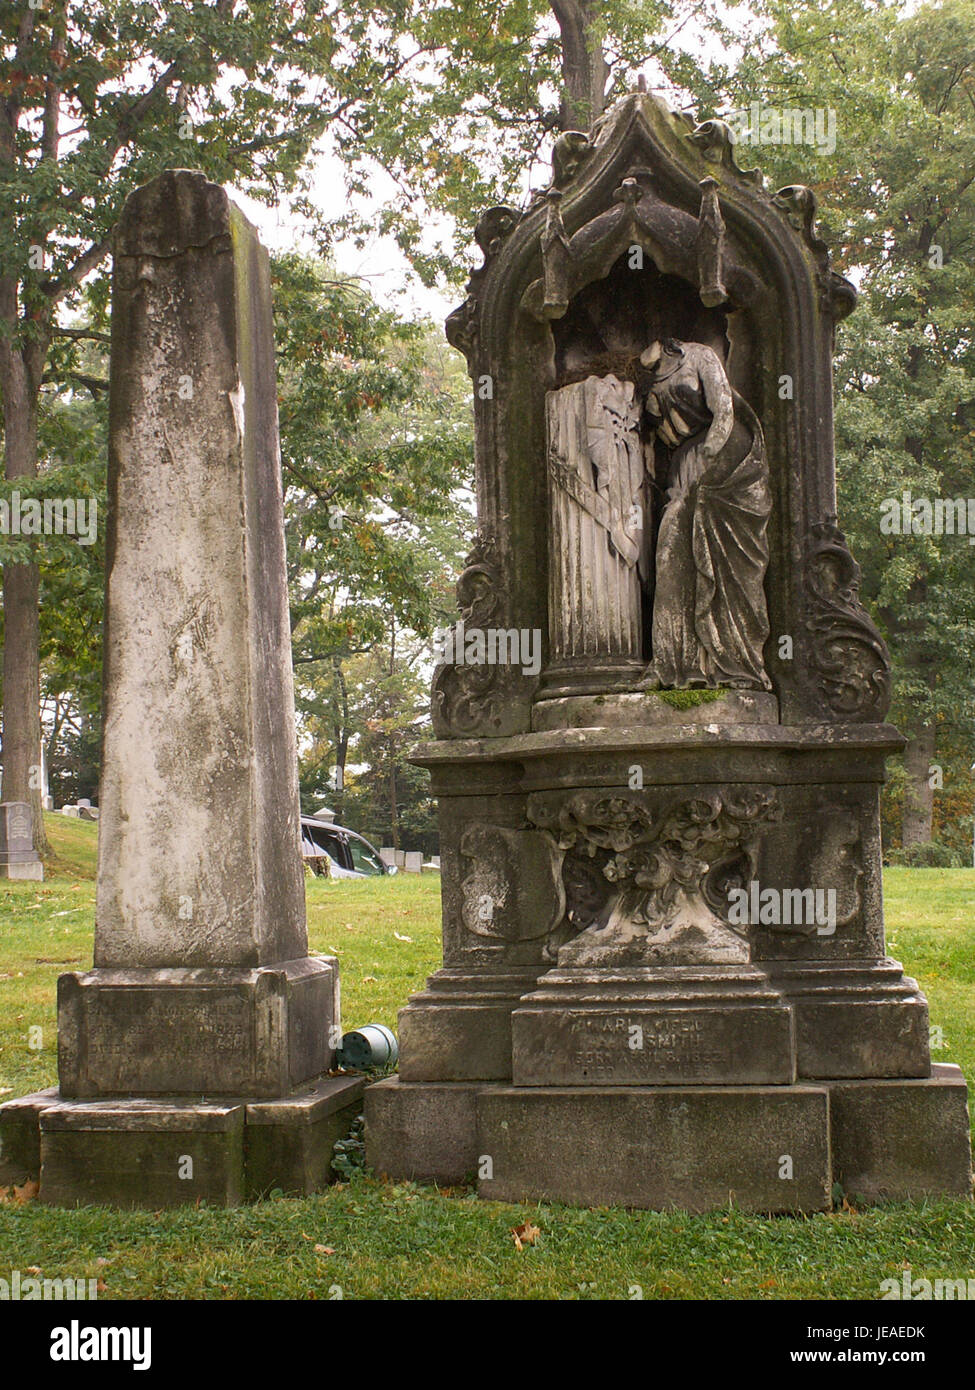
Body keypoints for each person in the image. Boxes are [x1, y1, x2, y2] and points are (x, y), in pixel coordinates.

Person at [640, 338, 772, 690]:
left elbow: (723, 408)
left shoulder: (699, 356)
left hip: (723, 466)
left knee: (726, 565)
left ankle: (731, 662)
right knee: (670, 554)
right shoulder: (646, 380)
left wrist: (710, 462)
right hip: (683, 470)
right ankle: (674, 665)